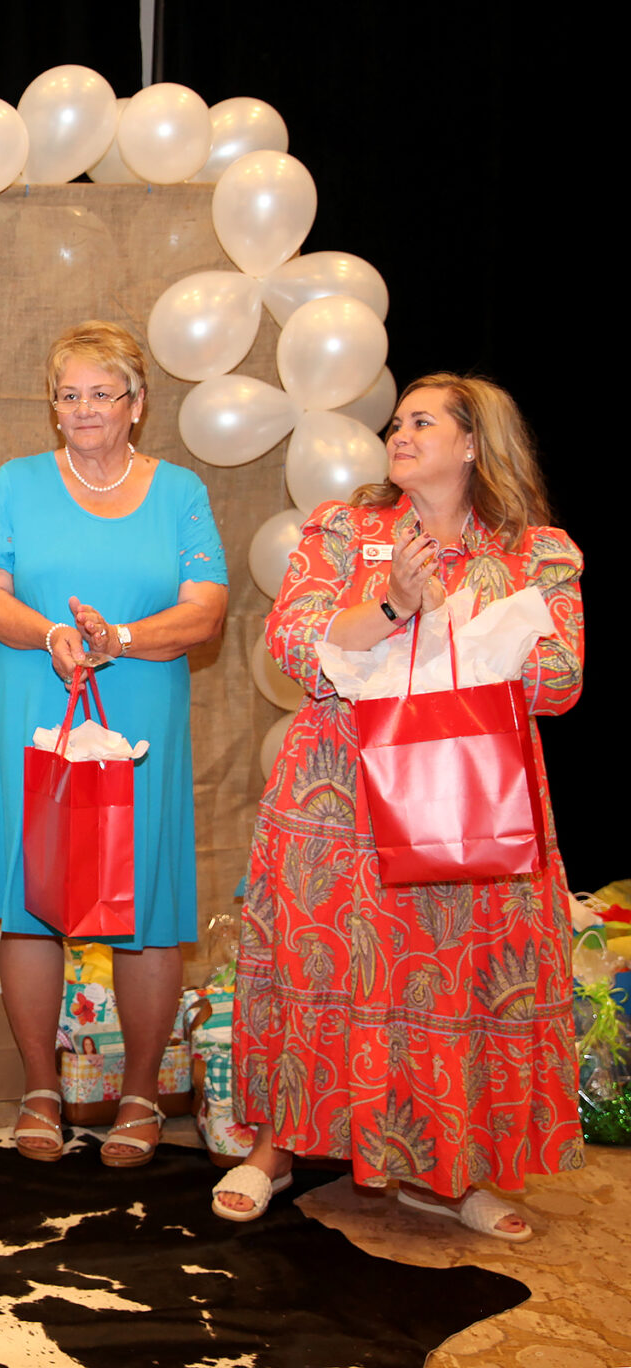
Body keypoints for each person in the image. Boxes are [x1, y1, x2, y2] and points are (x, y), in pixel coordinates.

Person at [214, 374, 584, 1238]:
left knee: (455, 979)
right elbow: (296, 644)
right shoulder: (348, 528)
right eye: (397, 420)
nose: (400, 432)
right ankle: (275, 1148)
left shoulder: (534, 552)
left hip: (472, 795)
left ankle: (451, 1170)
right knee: (322, 963)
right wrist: (394, 606)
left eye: (422, 421)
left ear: (472, 444)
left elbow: (560, 680)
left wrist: (475, 622)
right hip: (339, 799)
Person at [0, 320, 228, 1168]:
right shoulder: (15, 483)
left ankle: (142, 1093)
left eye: (100, 394)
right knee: (36, 898)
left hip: (139, 716)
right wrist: (51, 636)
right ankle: (42, 1089)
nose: (81, 410)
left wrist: (119, 637)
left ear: (137, 405)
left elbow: (206, 611)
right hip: (36, 710)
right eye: (67, 395)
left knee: (143, 907)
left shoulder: (181, 491)